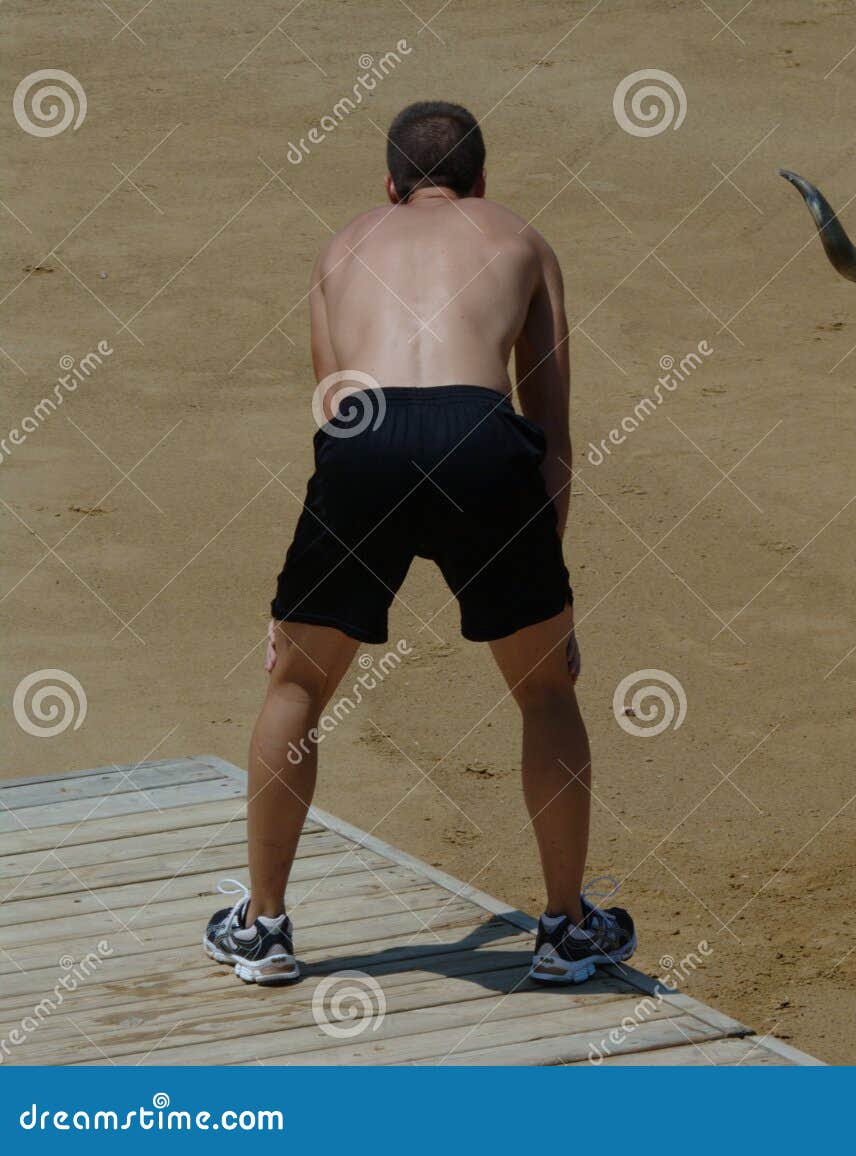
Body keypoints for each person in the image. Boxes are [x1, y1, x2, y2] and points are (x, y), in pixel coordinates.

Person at [202, 100, 634, 986]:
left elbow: (337, 412)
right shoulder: (520, 238)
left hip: (366, 441)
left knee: (297, 681)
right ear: (481, 183)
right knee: (546, 691)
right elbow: (549, 430)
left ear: (390, 186)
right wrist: (547, 591)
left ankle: (265, 928)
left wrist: (300, 606)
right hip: (484, 438)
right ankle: (564, 928)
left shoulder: (343, 247)